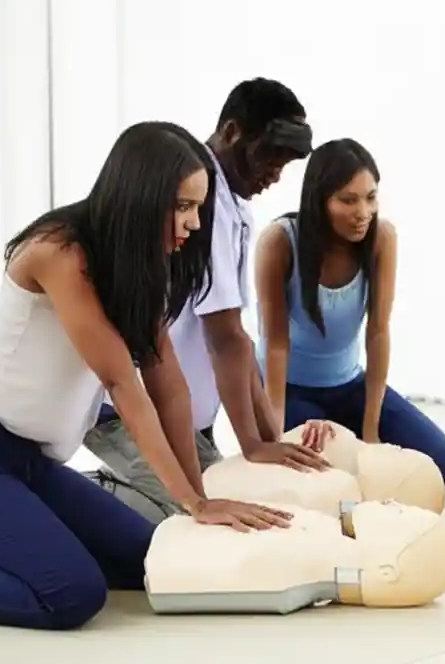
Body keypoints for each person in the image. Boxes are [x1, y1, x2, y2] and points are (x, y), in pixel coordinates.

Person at [0, 122, 290, 630]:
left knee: (147, 560)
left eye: (199, 209)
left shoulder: (138, 267)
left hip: (30, 463)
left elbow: (169, 385)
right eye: (183, 207)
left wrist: (195, 499)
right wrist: (190, 500)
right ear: (142, 196)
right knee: (71, 594)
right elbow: (124, 384)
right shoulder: (59, 252)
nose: (192, 224)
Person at [84, 77, 329, 523]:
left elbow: (236, 339)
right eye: (268, 159)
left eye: (284, 165)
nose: (275, 174)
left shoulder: (233, 207)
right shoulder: (205, 201)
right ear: (232, 133)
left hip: (184, 415)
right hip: (127, 412)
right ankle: (59, 495)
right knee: (181, 521)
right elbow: (224, 337)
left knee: (235, 505)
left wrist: (273, 440)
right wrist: (254, 445)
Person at [255, 139, 445, 480]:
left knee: (441, 459)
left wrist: (371, 432)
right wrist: (276, 433)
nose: (363, 212)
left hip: (349, 385)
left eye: (370, 197)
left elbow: (378, 331)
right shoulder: (279, 242)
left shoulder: (382, 238)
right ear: (319, 201)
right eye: (347, 200)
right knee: (328, 475)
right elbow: (275, 343)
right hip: (289, 388)